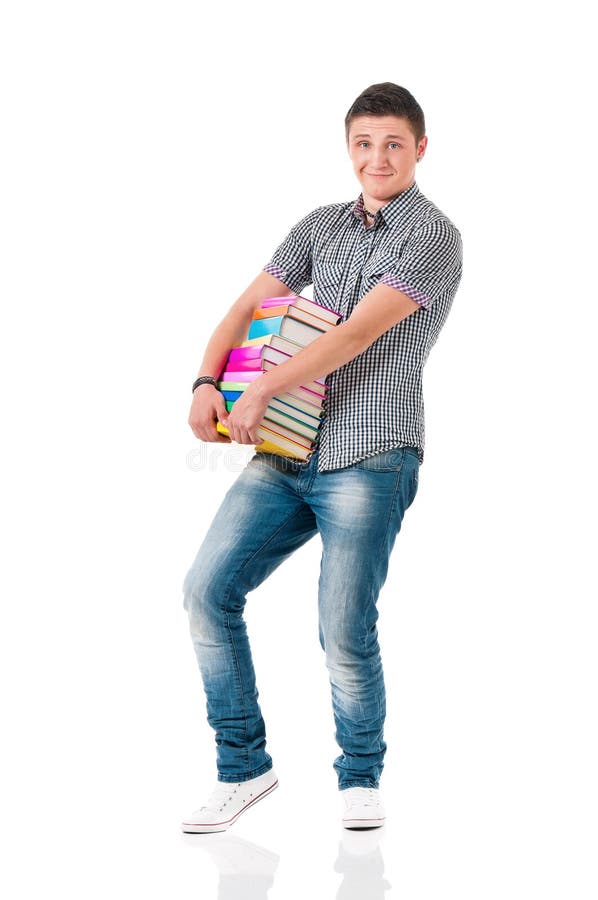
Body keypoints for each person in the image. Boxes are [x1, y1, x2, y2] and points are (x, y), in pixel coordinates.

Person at [181, 82, 463, 834]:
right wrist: (207, 381)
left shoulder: (433, 236)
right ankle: (243, 767)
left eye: (394, 144)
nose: (378, 158)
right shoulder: (320, 225)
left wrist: (259, 389)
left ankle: (360, 777)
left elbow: (355, 335)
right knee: (206, 591)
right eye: (364, 143)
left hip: (371, 452)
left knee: (343, 625)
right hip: (286, 449)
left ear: (420, 148)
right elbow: (247, 307)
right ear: (349, 147)